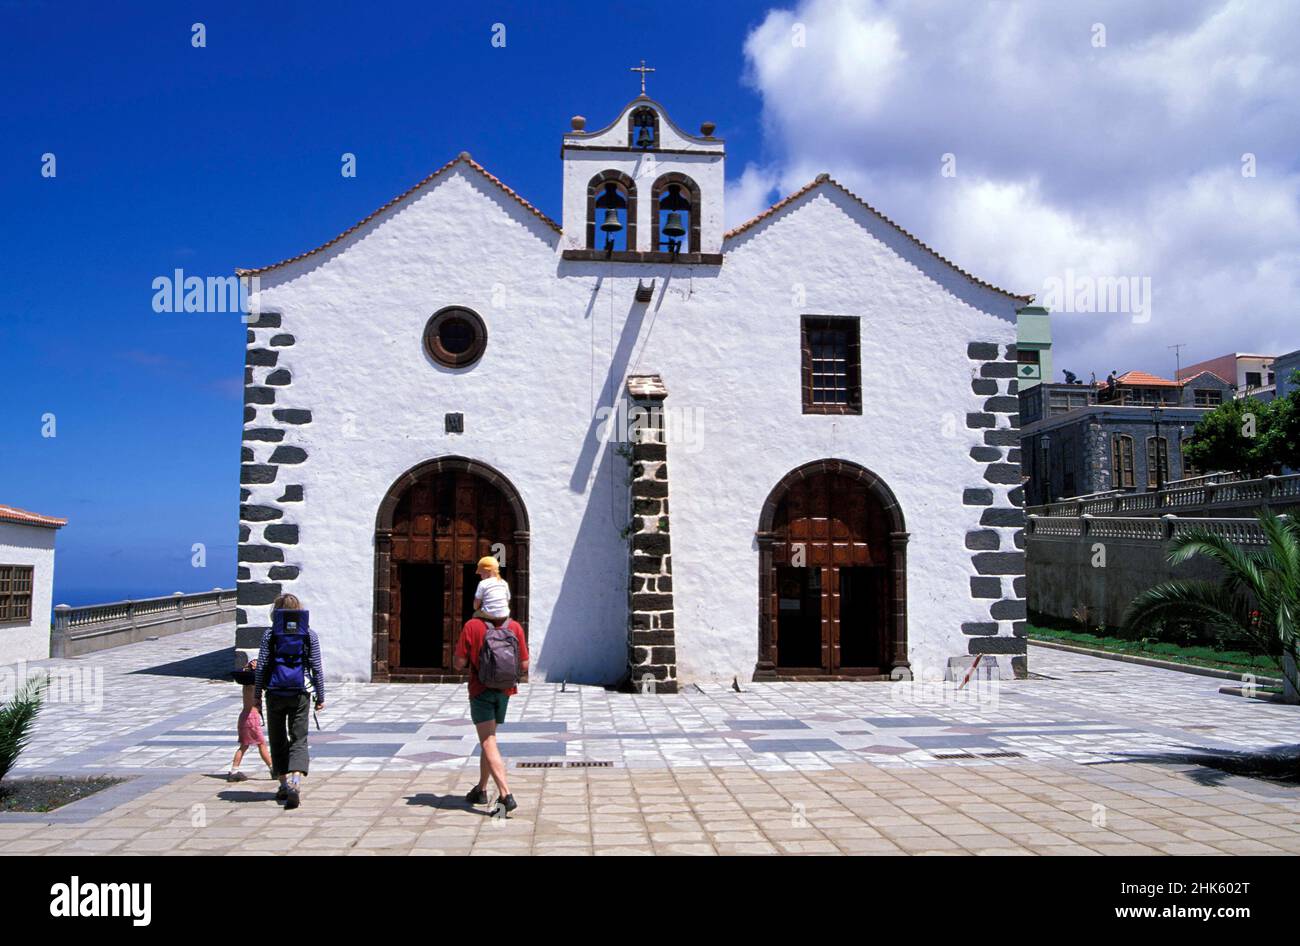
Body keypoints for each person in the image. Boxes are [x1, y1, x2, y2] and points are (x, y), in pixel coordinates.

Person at [253, 594, 324, 810]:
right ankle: (295, 781)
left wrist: (257, 694)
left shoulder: (270, 634)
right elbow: (316, 667)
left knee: (277, 737)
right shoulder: (308, 635)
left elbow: (263, 665)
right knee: (299, 737)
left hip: (274, 692)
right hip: (300, 691)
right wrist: (321, 696)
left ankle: (283, 784)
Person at [453, 611, 528, 815]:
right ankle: (481, 789)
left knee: (488, 741)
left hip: (480, 690)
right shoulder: (514, 627)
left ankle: (505, 795)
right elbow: (524, 665)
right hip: (505, 691)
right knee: (491, 738)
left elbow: (458, 663)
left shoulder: (472, 626)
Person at [228, 659, 273, 781]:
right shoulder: (252, 686)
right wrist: (255, 668)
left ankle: (234, 771)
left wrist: (249, 666)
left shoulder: (246, 685)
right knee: (261, 744)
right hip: (251, 718)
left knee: (244, 746)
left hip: (244, 717)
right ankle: (273, 769)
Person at [471, 556, 510, 622]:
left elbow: (476, 605)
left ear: (488, 571)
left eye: (481, 573)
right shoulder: (504, 583)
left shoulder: (483, 583)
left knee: (475, 614)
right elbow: (507, 601)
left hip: (489, 615)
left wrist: (478, 607)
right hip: (505, 614)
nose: (480, 575)